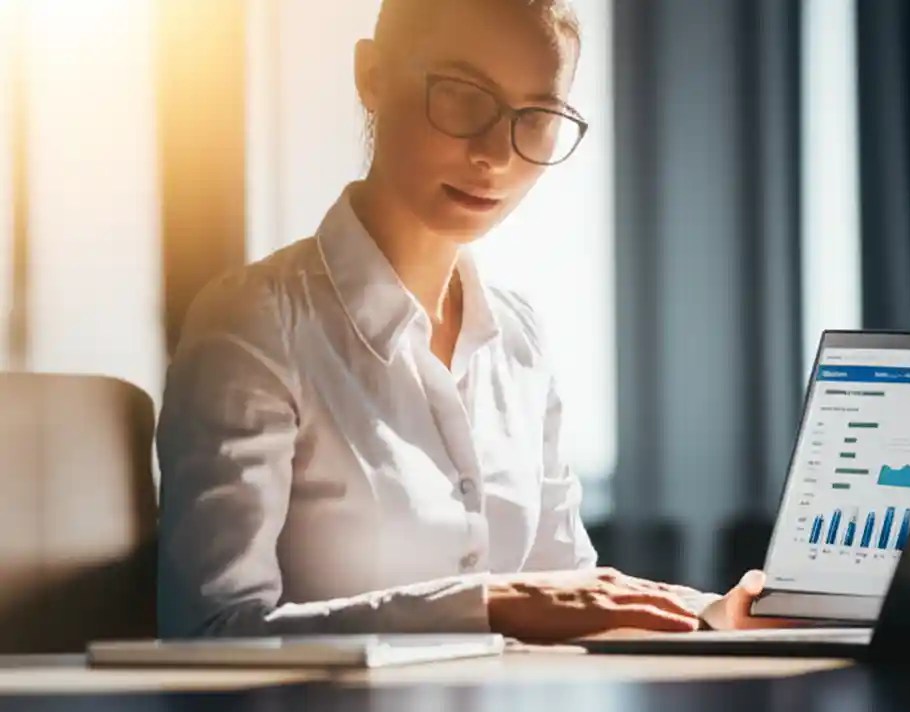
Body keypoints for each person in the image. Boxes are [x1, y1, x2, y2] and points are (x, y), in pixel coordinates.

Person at [157, 0, 778, 641]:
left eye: (535, 117)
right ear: (371, 76)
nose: (495, 155)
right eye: (461, 95)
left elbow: (568, 595)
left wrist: (710, 614)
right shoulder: (255, 326)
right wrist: (484, 605)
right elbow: (209, 630)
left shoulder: (518, 339)